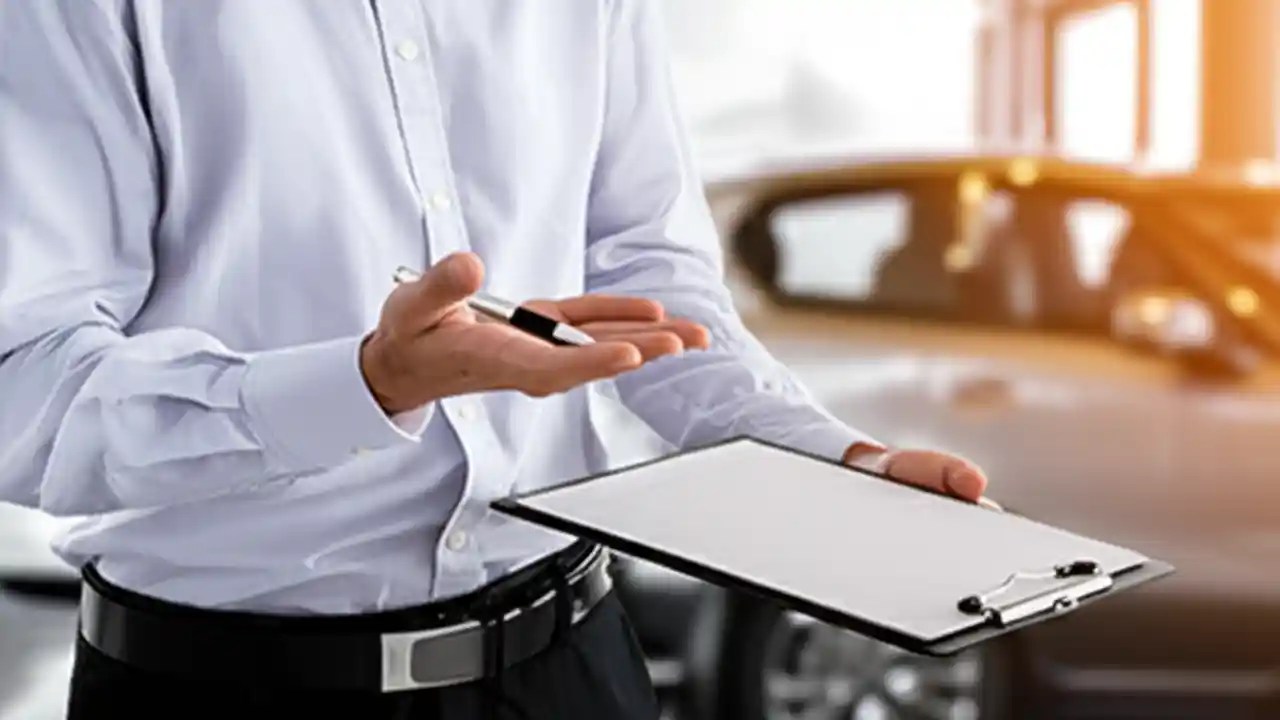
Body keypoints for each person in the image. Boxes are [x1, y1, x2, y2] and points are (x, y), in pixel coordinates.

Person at [0, 3, 991, 719]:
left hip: (572, 666)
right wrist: (362, 385)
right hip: (220, 682)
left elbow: (653, 288)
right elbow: (25, 386)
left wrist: (827, 464)